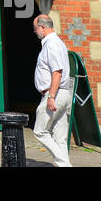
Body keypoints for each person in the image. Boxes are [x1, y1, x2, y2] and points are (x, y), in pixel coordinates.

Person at [31, 14, 73, 167]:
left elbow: (57, 72)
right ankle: (64, 165)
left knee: (40, 131)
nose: (35, 32)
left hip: (54, 93)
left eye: (36, 28)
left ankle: (64, 163)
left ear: (42, 27)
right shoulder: (57, 42)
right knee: (59, 137)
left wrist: (51, 96)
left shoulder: (52, 44)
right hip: (61, 93)